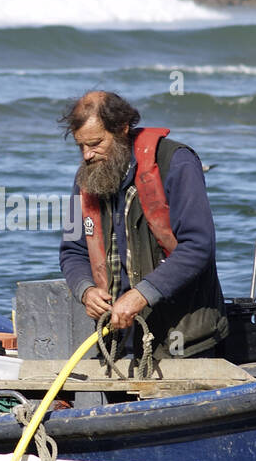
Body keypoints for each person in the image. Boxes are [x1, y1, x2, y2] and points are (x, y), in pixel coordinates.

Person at [59, 91, 227, 359]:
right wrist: (85, 289)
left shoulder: (177, 162)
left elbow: (198, 246)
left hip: (183, 337)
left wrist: (141, 295)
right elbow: (72, 250)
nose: (87, 155)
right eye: (81, 146)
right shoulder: (85, 178)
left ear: (122, 129)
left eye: (95, 143)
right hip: (116, 341)